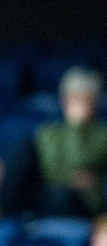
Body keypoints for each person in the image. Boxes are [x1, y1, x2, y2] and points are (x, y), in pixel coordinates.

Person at [33, 67, 107, 217]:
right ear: (64, 100)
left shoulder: (102, 134)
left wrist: (77, 126)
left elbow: (80, 160)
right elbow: (48, 169)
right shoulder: (49, 133)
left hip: (87, 203)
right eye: (73, 98)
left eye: (83, 98)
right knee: (56, 192)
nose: (78, 104)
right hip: (53, 197)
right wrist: (70, 178)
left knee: (60, 193)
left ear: (95, 101)